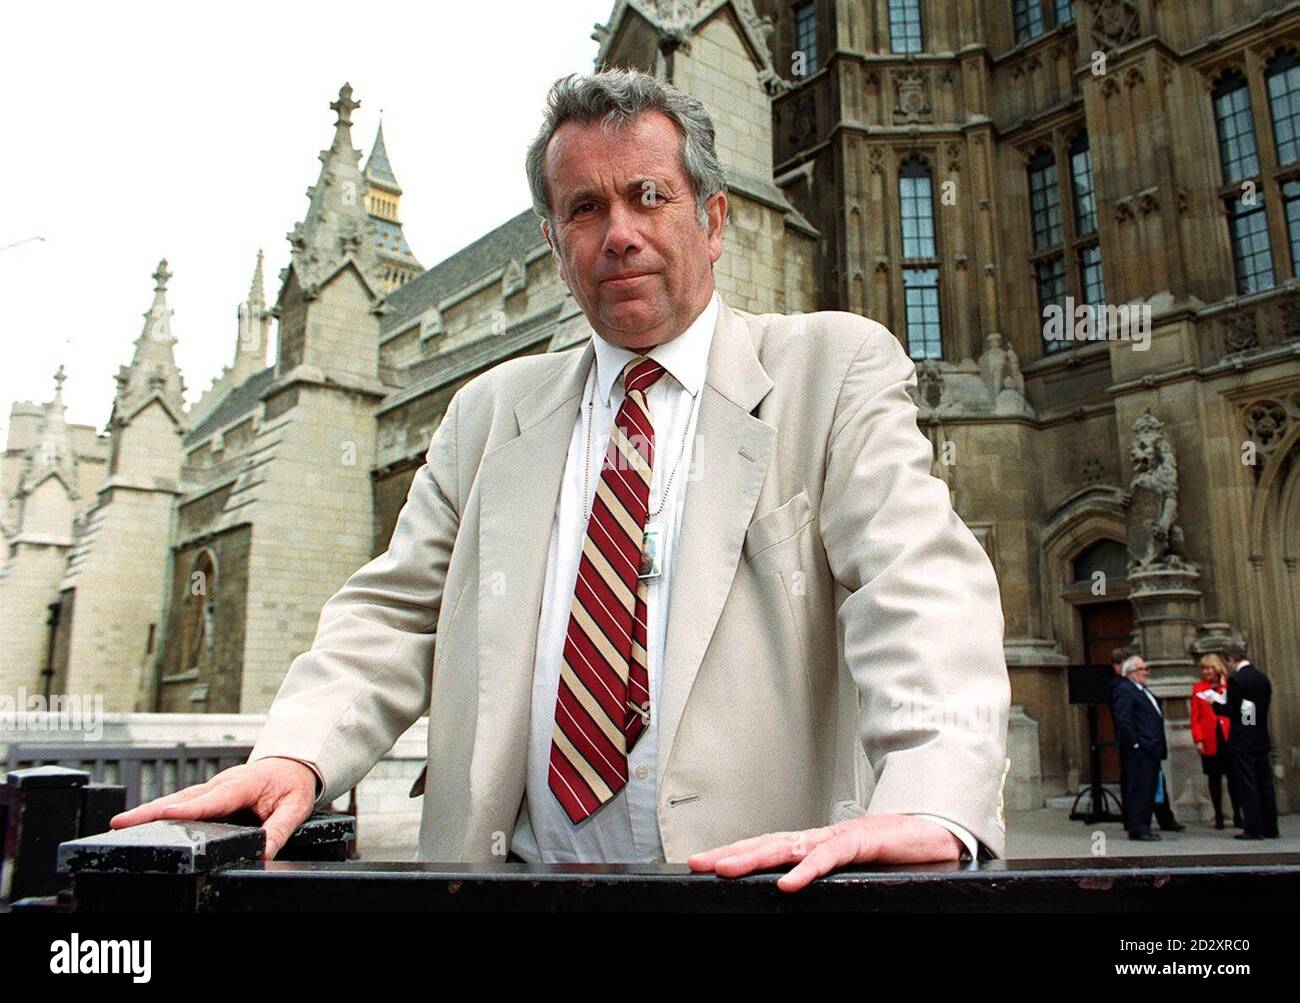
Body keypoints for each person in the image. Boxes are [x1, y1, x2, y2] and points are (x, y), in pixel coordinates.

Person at [110, 69, 1011, 893]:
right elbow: (393, 613)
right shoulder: (488, 413)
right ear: (553, 242)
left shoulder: (831, 370)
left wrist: (932, 796)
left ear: (715, 217)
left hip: (750, 887)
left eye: (648, 195)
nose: (618, 234)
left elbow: (917, 584)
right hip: (512, 886)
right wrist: (300, 752)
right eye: (584, 209)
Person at [1198, 643, 1278, 840]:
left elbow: (1233, 710)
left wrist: (1215, 704)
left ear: (1230, 659)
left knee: (1248, 784)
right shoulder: (1261, 678)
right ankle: (1270, 826)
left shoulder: (1237, 680)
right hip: (1260, 736)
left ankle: (1253, 828)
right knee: (1265, 783)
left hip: (1243, 740)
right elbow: (1249, 710)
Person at [1111, 655, 1177, 840]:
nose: (1146, 672)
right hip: (1140, 749)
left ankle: (1143, 826)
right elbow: (1123, 719)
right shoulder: (1126, 689)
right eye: (1142, 669)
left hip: (1150, 747)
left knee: (1148, 789)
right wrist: (1136, 743)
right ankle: (1139, 827)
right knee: (1141, 789)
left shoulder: (1142, 690)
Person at [1190, 652, 1240, 830]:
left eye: (1209, 667)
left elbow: (1244, 710)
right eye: (1203, 668)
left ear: (1217, 667)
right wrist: (1198, 739)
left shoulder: (1229, 684)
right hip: (1210, 739)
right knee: (1214, 779)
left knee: (1234, 779)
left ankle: (1237, 814)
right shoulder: (1198, 689)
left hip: (1229, 737)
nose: (1206, 671)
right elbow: (1195, 718)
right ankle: (1218, 814)